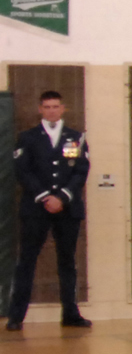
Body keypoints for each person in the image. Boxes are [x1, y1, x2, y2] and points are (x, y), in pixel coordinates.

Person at [8, 88, 87, 331]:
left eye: (56, 106)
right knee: (27, 261)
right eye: (47, 107)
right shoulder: (28, 137)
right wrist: (45, 198)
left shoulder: (75, 137)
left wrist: (62, 197)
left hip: (67, 208)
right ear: (40, 109)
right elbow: (23, 171)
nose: (52, 111)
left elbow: (80, 170)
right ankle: (16, 317)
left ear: (63, 109)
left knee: (67, 261)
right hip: (36, 209)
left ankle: (70, 314)